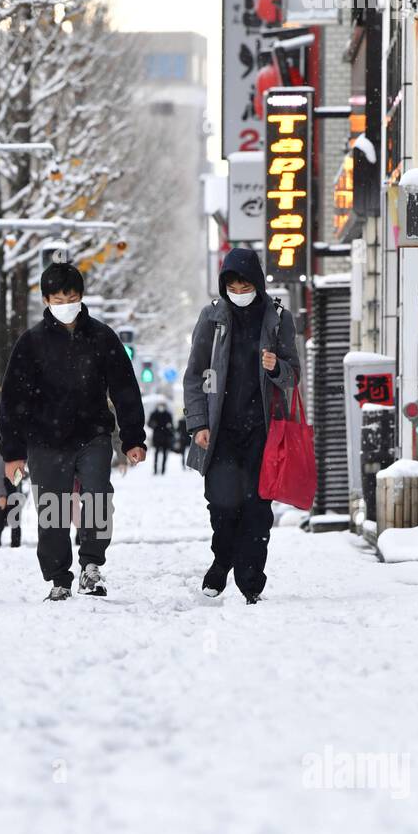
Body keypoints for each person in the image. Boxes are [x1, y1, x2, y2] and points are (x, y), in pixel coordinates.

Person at [0, 261, 147, 601]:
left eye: (72, 295)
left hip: (92, 434)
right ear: (46, 300)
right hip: (45, 440)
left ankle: (92, 564)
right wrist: (13, 453)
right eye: (58, 297)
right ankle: (58, 577)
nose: (66, 303)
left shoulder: (101, 336)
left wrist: (133, 438)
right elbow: (13, 402)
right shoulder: (31, 342)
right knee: (53, 508)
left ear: (81, 297)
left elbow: (125, 388)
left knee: (98, 495)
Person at [183, 246, 300, 604]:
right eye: (231, 286)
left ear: (258, 283)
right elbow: (194, 375)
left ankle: (250, 582)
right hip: (219, 432)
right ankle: (222, 560)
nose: (238, 292)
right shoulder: (212, 318)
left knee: (257, 509)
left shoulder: (278, 318)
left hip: (263, 433)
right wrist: (198, 423)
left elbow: (293, 375)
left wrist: (275, 367)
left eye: (244, 284)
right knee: (221, 505)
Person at [0, 428, 22, 550]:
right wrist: (1, 496)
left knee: (14, 520)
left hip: (12, 488)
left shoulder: (9, 452)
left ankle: (15, 543)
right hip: (3, 490)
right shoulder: (0, 455)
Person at [147, 400, 175, 474]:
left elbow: (172, 426)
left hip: (166, 437)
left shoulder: (168, 414)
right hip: (157, 437)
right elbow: (149, 423)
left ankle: (163, 469)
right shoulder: (154, 414)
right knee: (156, 453)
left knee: (165, 454)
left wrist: (170, 427)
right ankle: (155, 469)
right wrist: (153, 424)